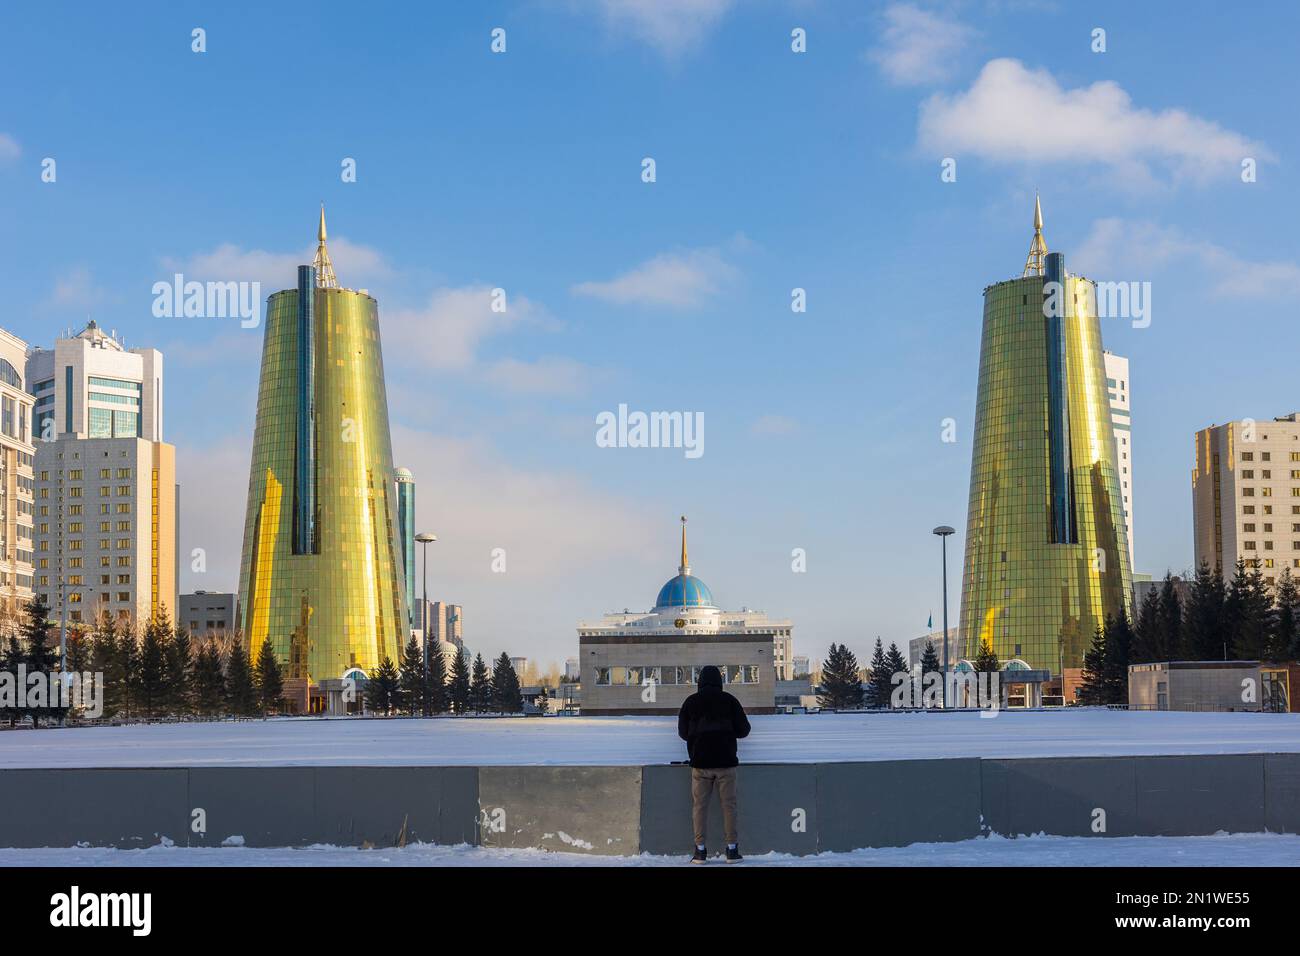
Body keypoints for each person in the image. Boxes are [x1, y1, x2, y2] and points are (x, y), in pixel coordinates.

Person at [677, 664, 751, 863]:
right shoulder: (730, 701)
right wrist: (726, 734)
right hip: (726, 763)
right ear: (720, 681)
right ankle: (732, 849)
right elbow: (744, 730)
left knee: (699, 807)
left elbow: (683, 733)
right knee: (729, 806)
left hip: (700, 764)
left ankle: (700, 851)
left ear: (699, 681)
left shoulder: (690, 702)